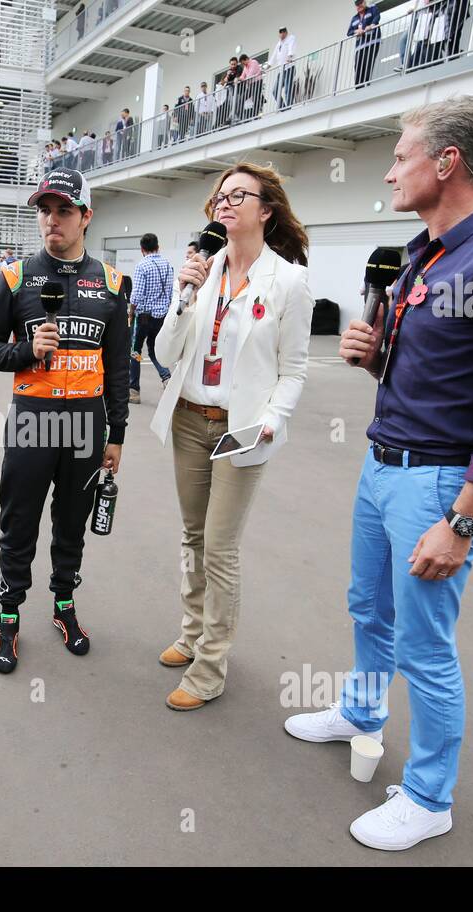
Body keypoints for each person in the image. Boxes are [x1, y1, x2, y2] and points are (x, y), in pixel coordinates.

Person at [291, 96, 473, 851]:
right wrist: (374, 356)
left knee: (425, 645)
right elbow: (442, 373)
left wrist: (463, 521)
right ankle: (361, 711)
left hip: (437, 485)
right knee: (367, 610)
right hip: (382, 467)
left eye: (401, 157)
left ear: (447, 163)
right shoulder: (426, 253)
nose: (387, 173)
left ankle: (430, 796)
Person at [149, 163, 313, 712]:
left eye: (238, 195)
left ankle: (210, 667)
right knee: (192, 536)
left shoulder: (287, 281)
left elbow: (294, 369)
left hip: (243, 428)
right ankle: (192, 634)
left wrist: (273, 417)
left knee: (220, 548)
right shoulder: (204, 269)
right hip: (190, 419)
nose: (224, 202)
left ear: (265, 210)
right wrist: (183, 296)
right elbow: (167, 354)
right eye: (220, 195)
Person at [0, 167, 129, 675]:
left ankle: (64, 606)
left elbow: (119, 367)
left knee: (71, 524)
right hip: (33, 423)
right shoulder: (15, 276)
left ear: (86, 216)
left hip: (87, 424)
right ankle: (8, 616)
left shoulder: (112, 282)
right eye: (45, 210)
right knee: (19, 522)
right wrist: (22, 351)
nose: (51, 220)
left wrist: (117, 434)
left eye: (63, 210)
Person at [127, 232, 175, 404]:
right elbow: (170, 293)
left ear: (142, 249)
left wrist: (131, 312)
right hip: (161, 317)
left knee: (135, 351)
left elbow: (136, 295)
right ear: (158, 247)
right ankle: (167, 378)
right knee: (154, 348)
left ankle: (133, 391)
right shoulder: (168, 265)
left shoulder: (142, 266)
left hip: (144, 317)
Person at [349, 1, 382, 88]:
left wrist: (371, 25)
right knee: (358, 69)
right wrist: (356, 31)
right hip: (360, 47)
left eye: (360, 3)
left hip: (372, 43)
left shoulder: (372, 9)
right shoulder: (354, 18)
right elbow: (349, 32)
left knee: (368, 65)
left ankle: (366, 87)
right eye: (357, 4)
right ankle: (358, 89)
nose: (359, 6)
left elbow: (377, 16)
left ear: (364, 2)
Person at [272, 27, 297, 109]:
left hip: (289, 68)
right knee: (275, 91)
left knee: (287, 90)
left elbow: (291, 48)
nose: (282, 34)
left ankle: (289, 107)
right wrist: (267, 66)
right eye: (280, 32)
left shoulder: (290, 38)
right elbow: (274, 56)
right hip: (281, 70)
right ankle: (283, 108)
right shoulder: (279, 44)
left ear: (286, 32)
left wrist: (290, 56)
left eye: (283, 32)